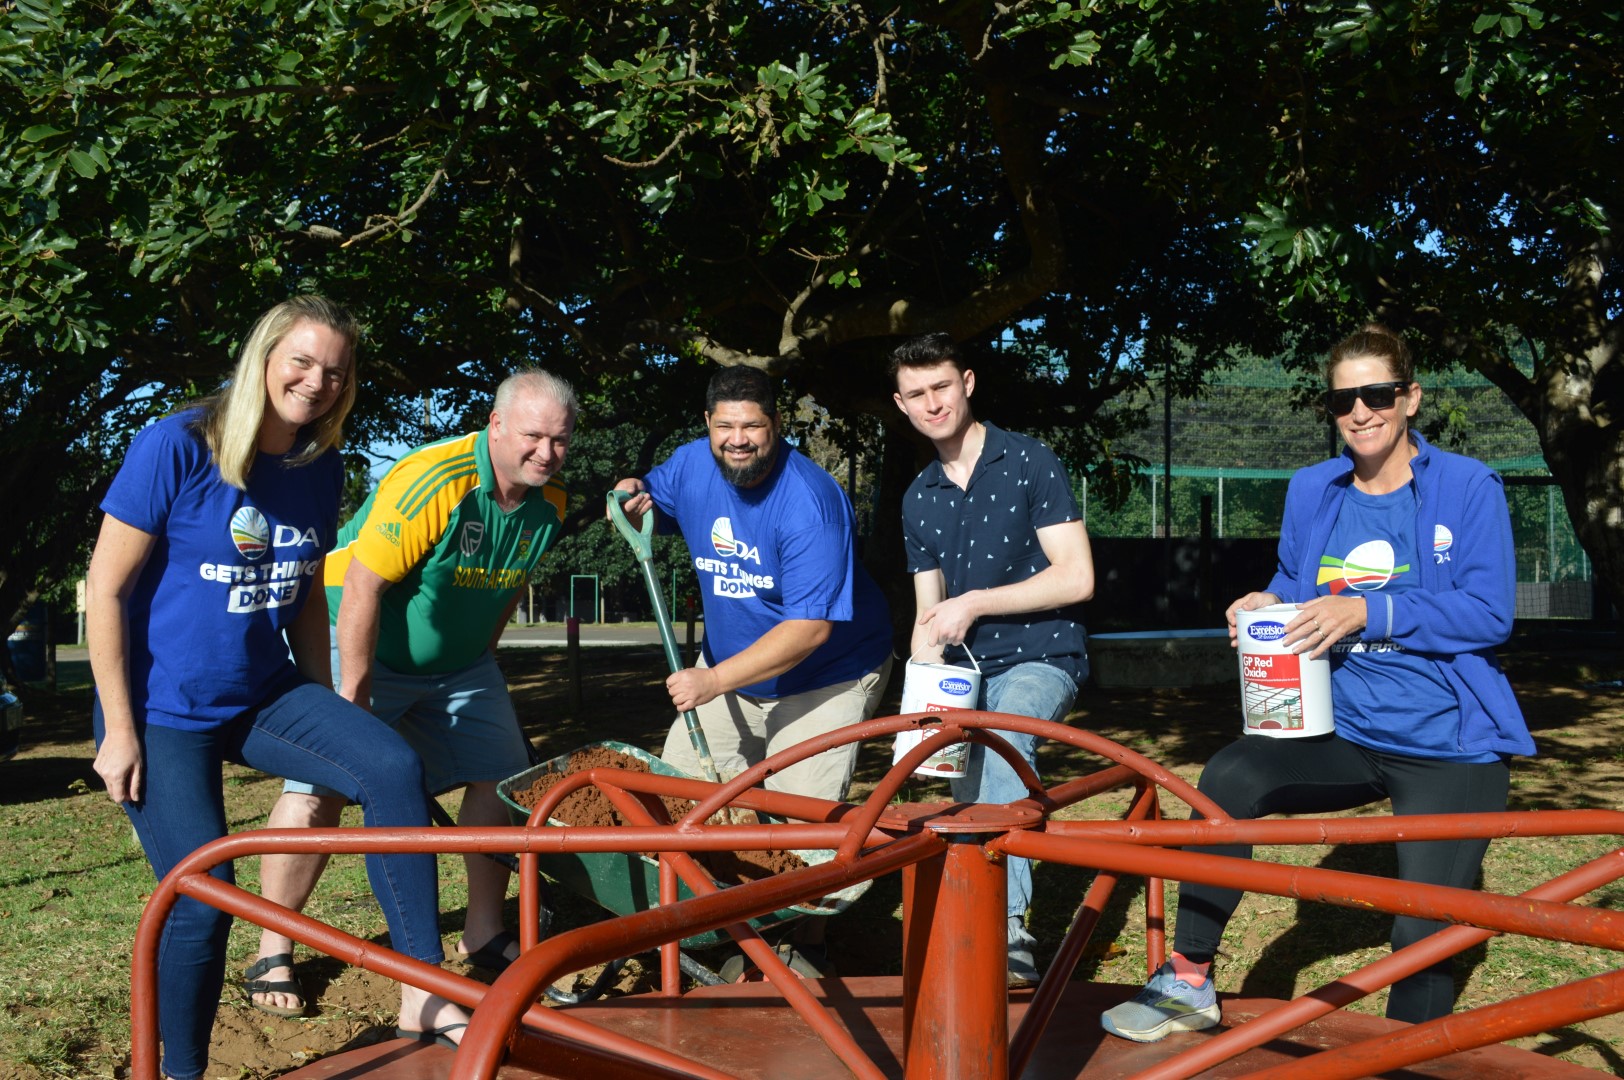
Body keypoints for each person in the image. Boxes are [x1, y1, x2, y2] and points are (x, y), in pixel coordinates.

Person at [1100, 324, 1534, 1043]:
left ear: (1411, 398)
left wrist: (1369, 608)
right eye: (1343, 400)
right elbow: (1298, 584)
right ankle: (1187, 978)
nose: (1360, 413)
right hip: (1344, 732)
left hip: (1448, 745)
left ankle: (1400, 1058)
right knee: (1230, 774)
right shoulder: (1312, 488)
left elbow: (1488, 614)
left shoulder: (1468, 486)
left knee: (1420, 924)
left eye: (1377, 394)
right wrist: (1265, 601)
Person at [87, 296, 471, 1080]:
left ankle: (424, 988)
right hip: (161, 708)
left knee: (392, 766)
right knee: (203, 897)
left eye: (335, 370)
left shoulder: (316, 462)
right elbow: (105, 590)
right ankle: (176, 1071)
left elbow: (301, 593)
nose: (316, 381)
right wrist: (118, 730)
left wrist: (326, 698)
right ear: (263, 357)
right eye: (301, 360)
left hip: (263, 690)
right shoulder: (178, 445)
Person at [245, 369, 576, 1012]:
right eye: (534, 436)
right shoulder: (437, 481)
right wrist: (354, 695)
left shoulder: (552, 500)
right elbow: (363, 588)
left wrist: (483, 658)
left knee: (502, 779)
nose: (546, 452)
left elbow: (508, 583)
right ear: (497, 425)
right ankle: (272, 949)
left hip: (460, 666)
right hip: (362, 643)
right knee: (322, 790)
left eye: (560, 440)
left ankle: (484, 934)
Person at [890, 333, 1096, 987]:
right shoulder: (916, 497)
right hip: (963, 670)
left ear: (968, 382)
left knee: (1003, 735)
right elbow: (929, 619)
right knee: (949, 768)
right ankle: (959, 921)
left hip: (1042, 654)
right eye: (917, 394)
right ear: (902, 405)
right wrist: (919, 694)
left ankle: (1006, 943)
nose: (933, 403)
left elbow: (1077, 578)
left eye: (942, 386)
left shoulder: (1030, 462)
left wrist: (975, 602)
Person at [611, 366, 892, 805]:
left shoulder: (810, 505)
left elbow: (810, 629)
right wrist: (628, 493)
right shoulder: (691, 464)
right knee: (679, 799)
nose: (736, 439)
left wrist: (714, 680)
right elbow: (647, 500)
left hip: (823, 676)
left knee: (798, 820)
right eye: (724, 425)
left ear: (776, 424)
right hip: (730, 672)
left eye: (752, 426)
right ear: (707, 422)